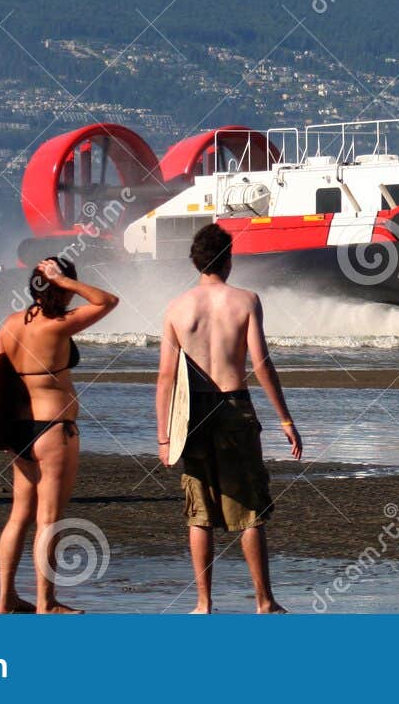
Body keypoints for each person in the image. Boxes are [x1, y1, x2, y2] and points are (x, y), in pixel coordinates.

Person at [156, 224, 301, 614]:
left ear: (195, 262)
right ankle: (264, 601)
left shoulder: (176, 307)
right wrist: (286, 420)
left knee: (199, 512)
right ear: (229, 260)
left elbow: (166, 377)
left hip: (192, 414)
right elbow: (261, 365)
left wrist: (164, 437)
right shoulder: (246, 300)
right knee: (250, 509)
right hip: (235, 408)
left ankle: (203, 603)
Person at [0, 257, 118, 614]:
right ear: (59, 288)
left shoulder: (10, 325)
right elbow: (107, 301)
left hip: (18, 429)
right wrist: (64, 280)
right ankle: (46, 603)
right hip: (53, 429)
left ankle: (6, 599)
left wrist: (1, 432)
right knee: (48, 518)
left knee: (18, 516)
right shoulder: (59, 325)